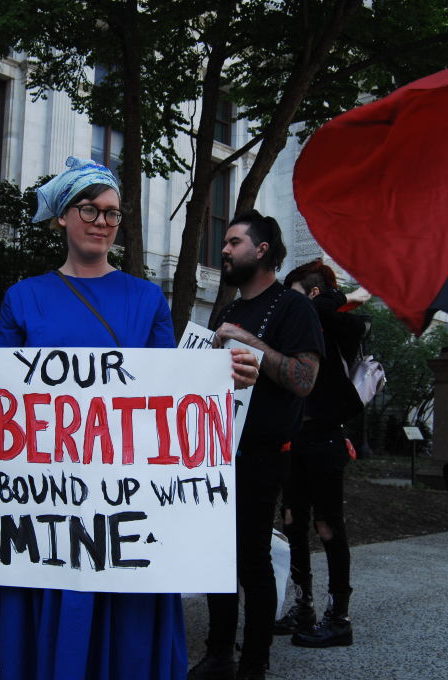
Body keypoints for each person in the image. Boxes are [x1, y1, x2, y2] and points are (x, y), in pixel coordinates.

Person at [0, 156, 258, 680]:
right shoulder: (23, 297)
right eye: (90, 209)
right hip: (47, 513)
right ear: (62, 217)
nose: (102, 221)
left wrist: (223, 378)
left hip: (127, 512)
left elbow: (169, 389)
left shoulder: (146, 298)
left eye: (112, 213)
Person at [189, 211, 324, 680]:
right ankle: (219, 654)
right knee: (216, 557)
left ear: (262, 249)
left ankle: (254, 663)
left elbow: (305, 380)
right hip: (217, 453)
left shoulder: (293, 307)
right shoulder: (227, 311)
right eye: (225, 243)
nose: (224, 250)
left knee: (251, 560)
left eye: (234, 242)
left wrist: (247, 341)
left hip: (262, 457)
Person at [275, 260, 368, 648]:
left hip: (327, 438)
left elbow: (327, 311)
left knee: (328, 526)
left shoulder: (340, 324)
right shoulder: (298, 329)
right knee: (293, 522)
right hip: (295, 438)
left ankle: (339, 617)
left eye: (294, 296)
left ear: (314, 294)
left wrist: (341, 295)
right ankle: (304, 606)